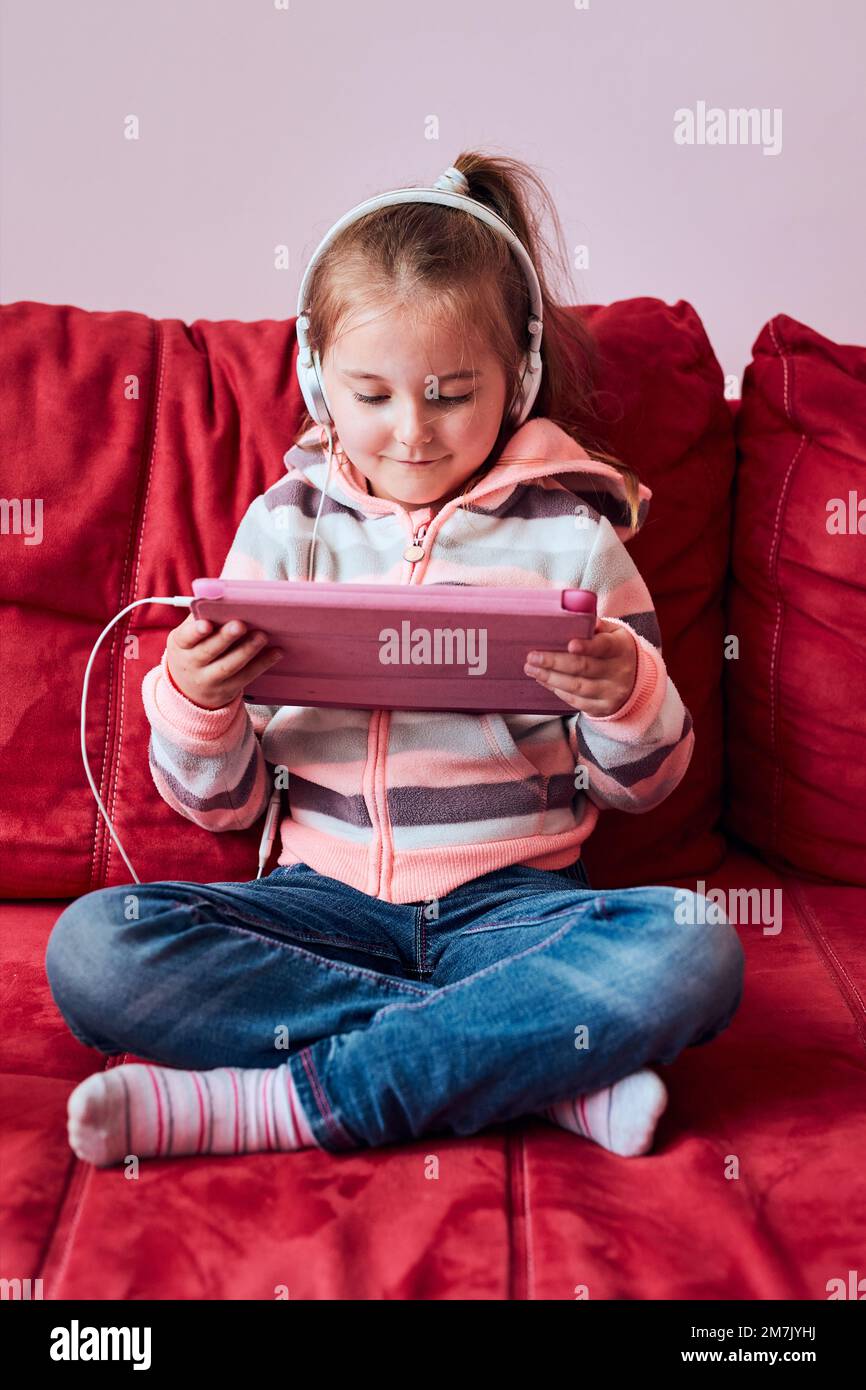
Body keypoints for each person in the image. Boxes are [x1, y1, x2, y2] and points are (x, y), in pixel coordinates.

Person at [45, 151, 744, 1167]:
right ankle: (527, 1063)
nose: (410, 433)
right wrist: (199, 706)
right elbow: (226, 807)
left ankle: (276, 1106)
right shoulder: (284, 528)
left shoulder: (573, 536)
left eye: (449, 394)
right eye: (370, 395)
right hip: (316, 907)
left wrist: (626, 695)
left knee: (691, 947)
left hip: (517, 909)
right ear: (316, 379)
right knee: (97, 950)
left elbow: (642, 786)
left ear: (519, 378)